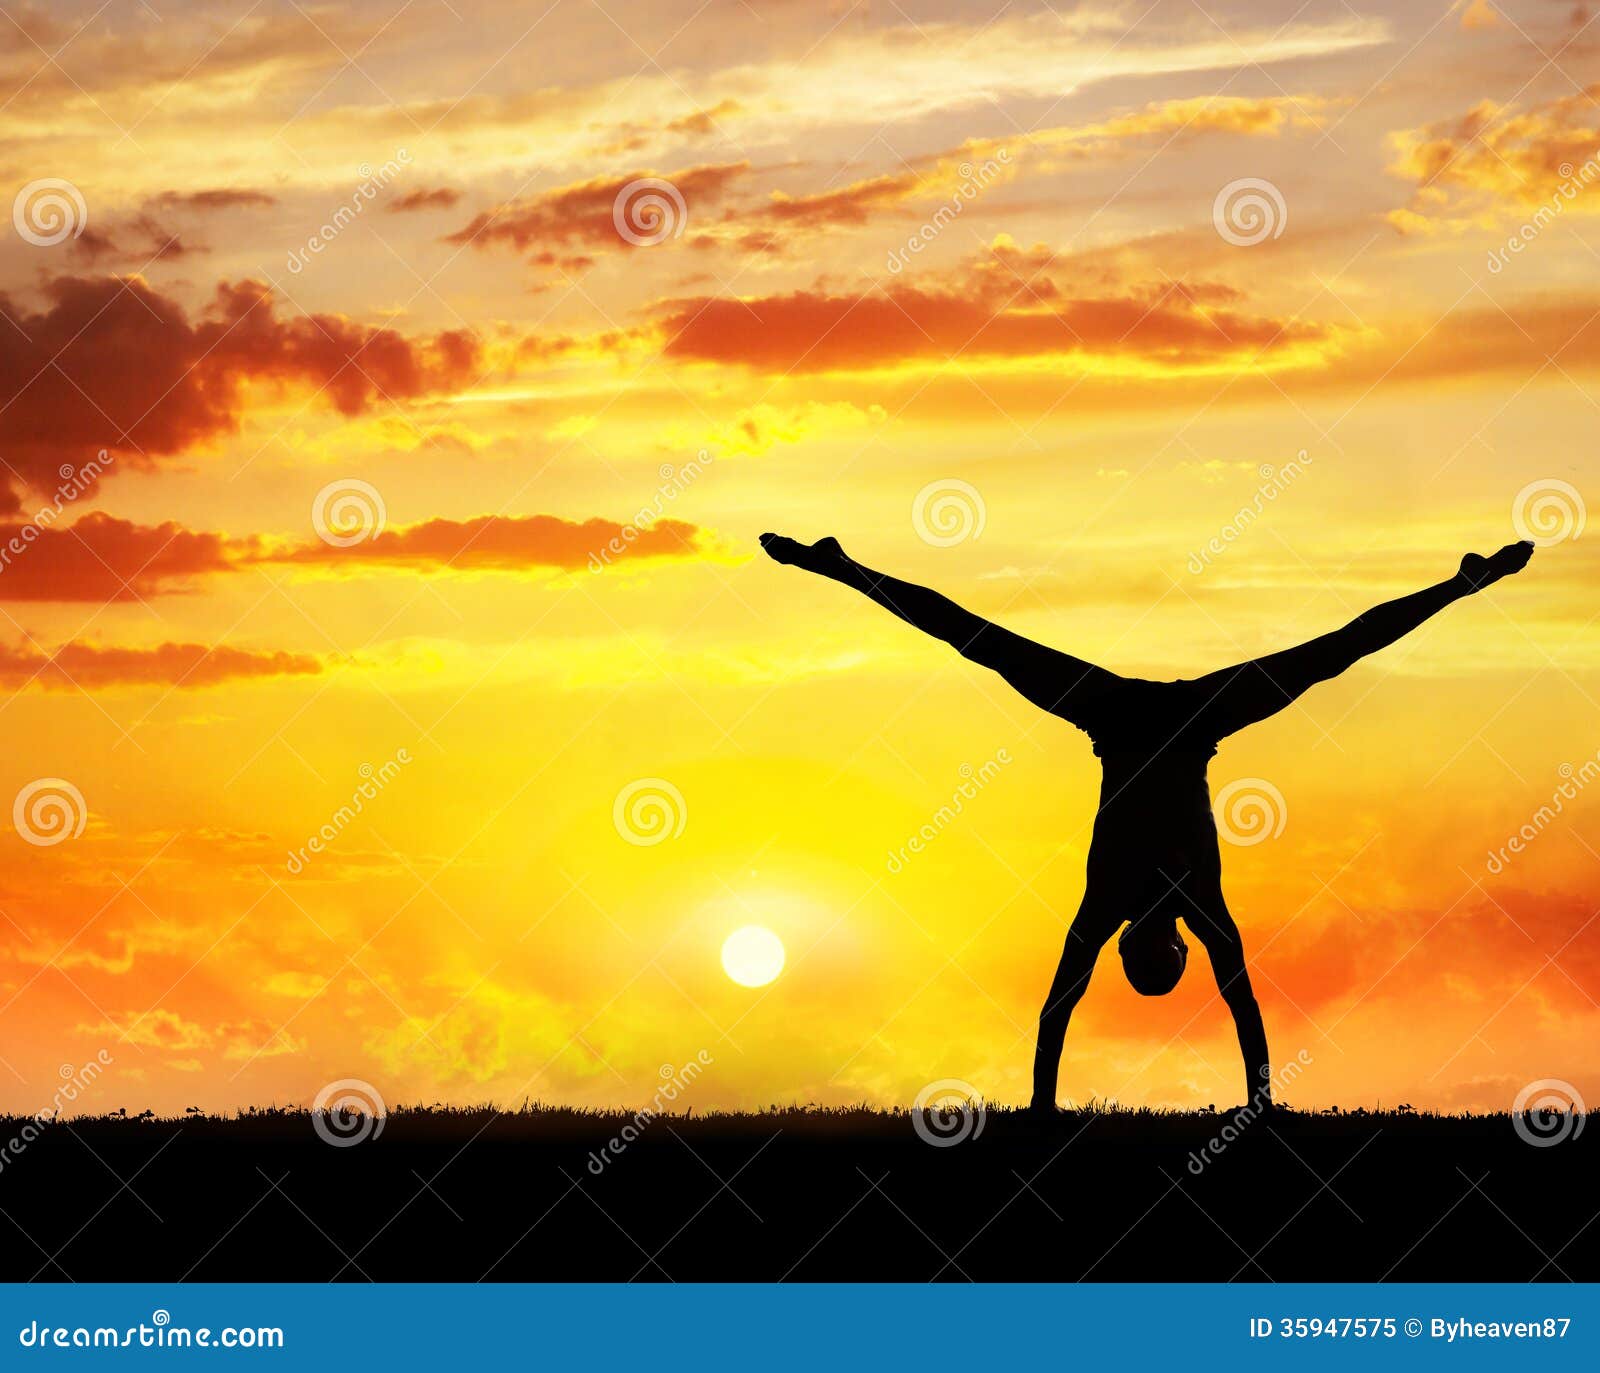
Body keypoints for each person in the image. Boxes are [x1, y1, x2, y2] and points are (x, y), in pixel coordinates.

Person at [759, 531, 1535, 1112]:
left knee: (978, 639)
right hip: (1186, 722)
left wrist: (1042, 1107)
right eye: (1160, 953)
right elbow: (1230, 1000)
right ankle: (1463, 584)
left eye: (1145, 952)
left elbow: (1069, 1001)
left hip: (1122, 721)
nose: (1153, 941)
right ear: (1167, 948)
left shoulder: (1122, 905)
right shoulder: (1194, 909)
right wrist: (1257, 1102)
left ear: (1139, 944)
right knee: (1332, 653)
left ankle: (842, 566)